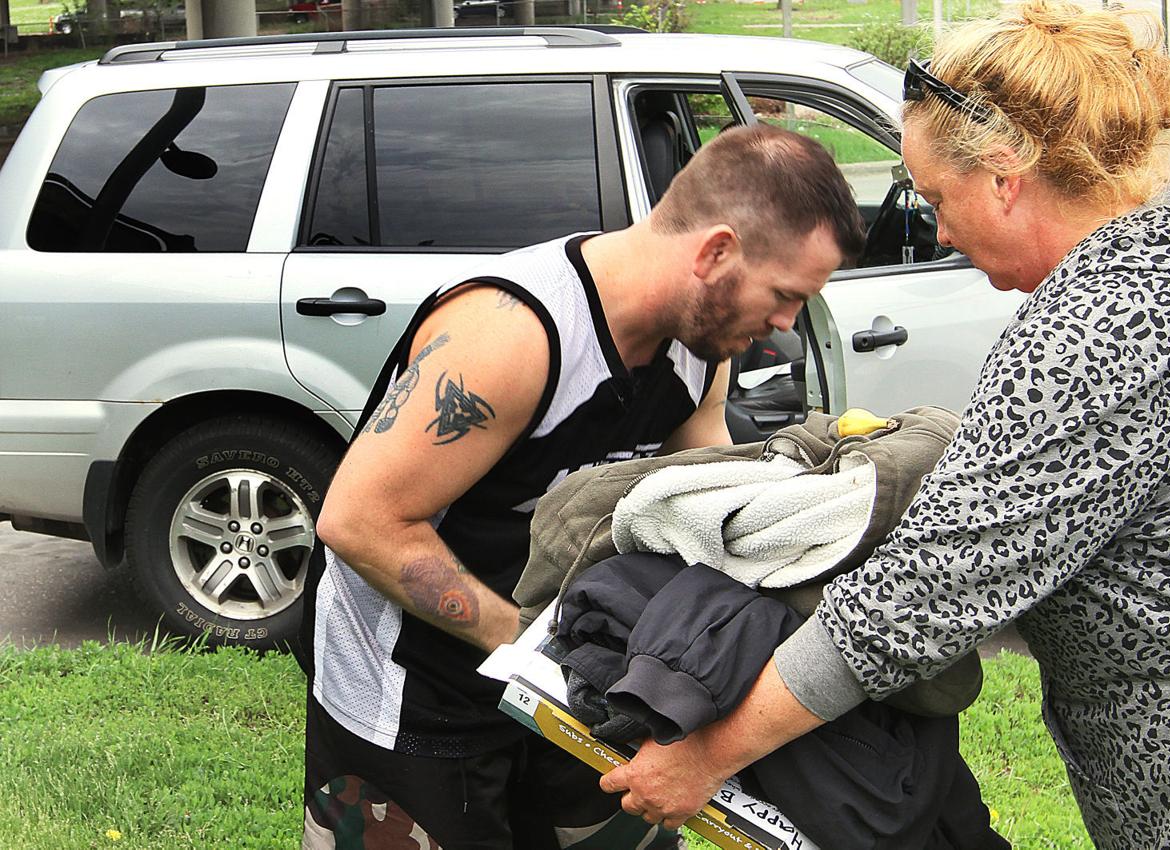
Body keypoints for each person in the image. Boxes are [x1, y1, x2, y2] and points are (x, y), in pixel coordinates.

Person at [598, 3, 1170, 849]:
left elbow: (915, 603)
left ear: (1003, 173)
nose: (937, 228)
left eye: (934, 197)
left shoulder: (1093, 334)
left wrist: (706, 757)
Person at [300, 123, 866, 850]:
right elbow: (359, 523)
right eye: (784, 295)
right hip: (410, 694)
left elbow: (695, 502)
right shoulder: (511, 334)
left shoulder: (700, 348)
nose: (785, 324)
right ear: (717, 251)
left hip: (559, 677)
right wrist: (524, 645)